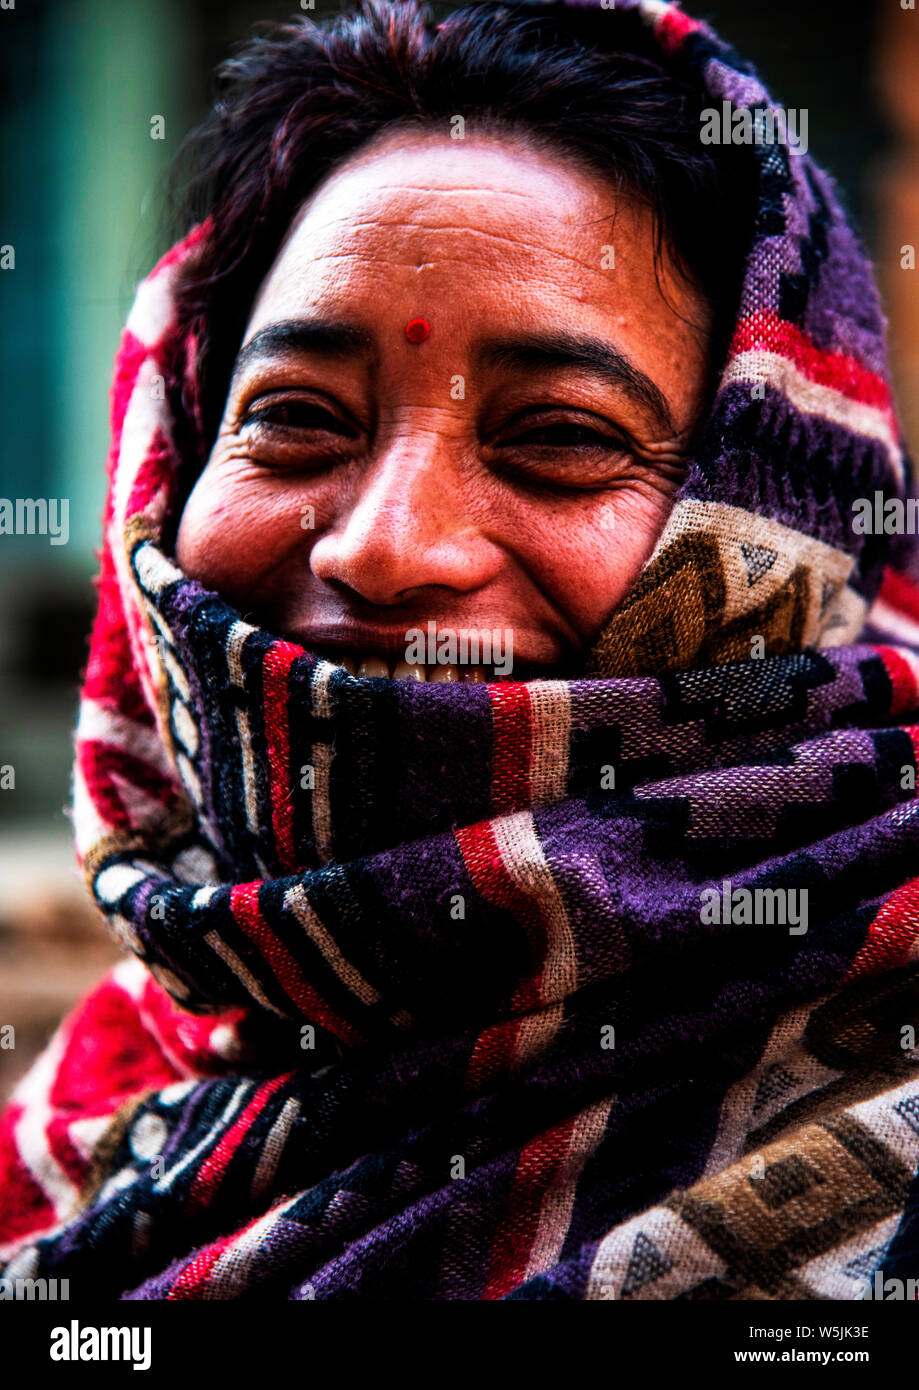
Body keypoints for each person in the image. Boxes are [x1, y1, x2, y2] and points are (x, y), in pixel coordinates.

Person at [1, 0, 918, 1300]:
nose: (384, 551)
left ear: (784, 530)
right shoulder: (120, 1080)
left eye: (558, 434)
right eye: (298, 417)